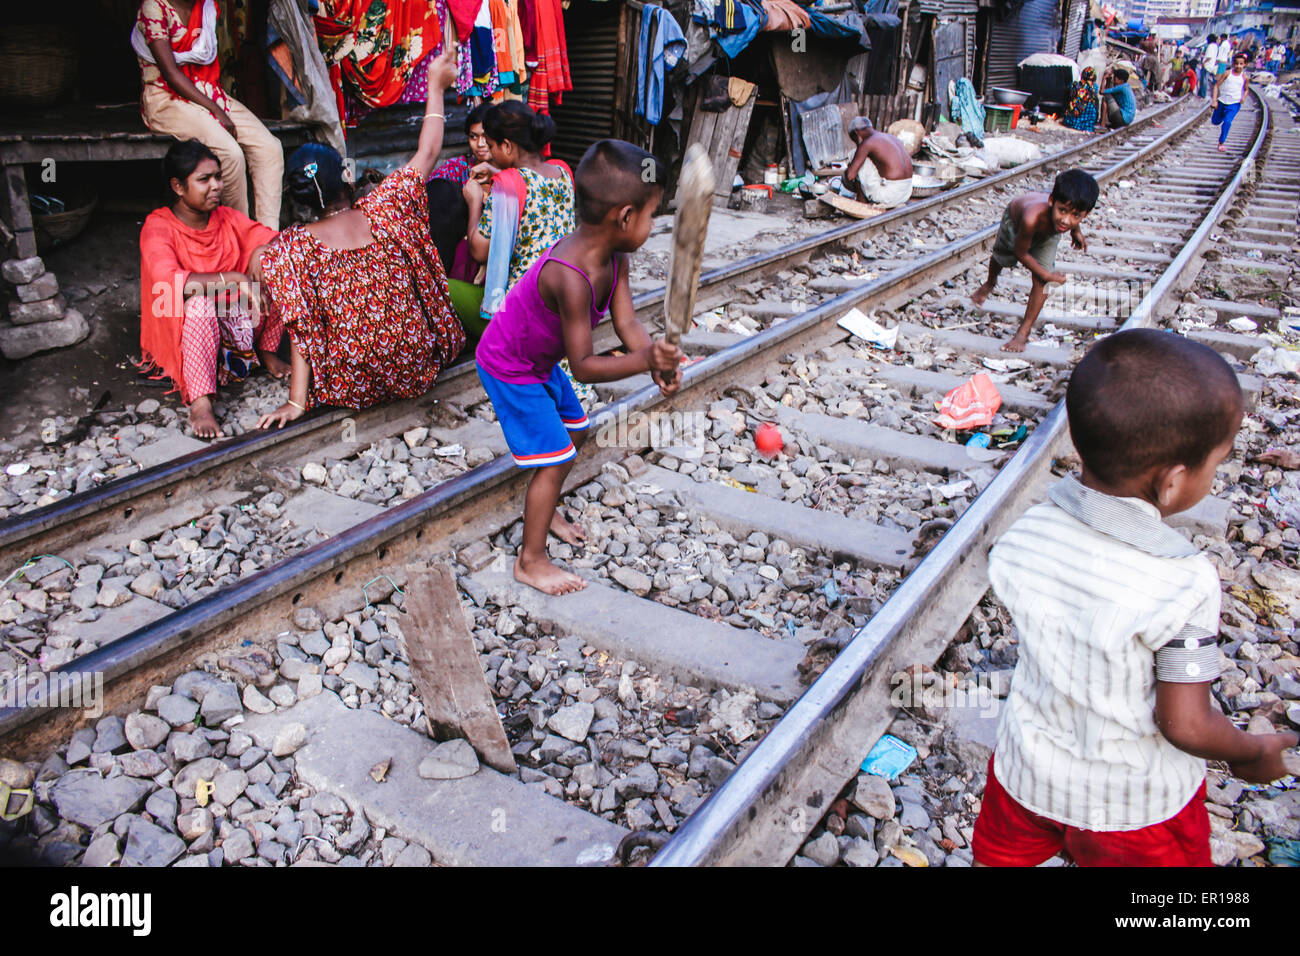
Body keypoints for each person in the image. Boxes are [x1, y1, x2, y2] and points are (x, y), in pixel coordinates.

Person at [971, 330, 1298, 867]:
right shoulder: (1182, 580)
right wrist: (1252, 750)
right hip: (1136, 809)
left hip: (1026, 777)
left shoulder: (1025, 535)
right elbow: (1185, 724)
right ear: (1171, 482)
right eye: (1215, 464)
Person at [475, 140, 683, 596]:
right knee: (558, 457)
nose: (652, 224)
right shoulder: (570, 275)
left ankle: (544, 511)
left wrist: (656, 367)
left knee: (577, 431)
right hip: (510, 365)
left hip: (538, 358)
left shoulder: (616, 256)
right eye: (652, 214)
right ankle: (530, 561)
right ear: (625, 218)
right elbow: (585, 367)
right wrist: (647, 358)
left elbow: (626, 322)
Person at [254, 49, 466, 428]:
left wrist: (296, 402)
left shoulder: (289, 249)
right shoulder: (386, 206)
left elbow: (301, 325)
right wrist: (434, 85)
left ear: (300, 200)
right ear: (348, 179)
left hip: (353, 386)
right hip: (416, 367)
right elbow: (429, 150)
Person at [138, 140, 286, 439]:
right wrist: (233, 278)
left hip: (234, 334)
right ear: (178, 187)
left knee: (280, 265)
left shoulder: (227, 218)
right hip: (189, 336)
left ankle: (266, 352)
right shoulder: (158, 226)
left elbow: (277, 239)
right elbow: (168, 281)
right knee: (200, 304)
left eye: (218, 176)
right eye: (204, 180)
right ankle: (200, 401)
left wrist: (260, 251)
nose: (216, 185)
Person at [132, 0, 283, 228]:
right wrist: (216, 110)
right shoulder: (153, 7)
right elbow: (171, 74)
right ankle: (239, 233)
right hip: (165, 98)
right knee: (231, 154)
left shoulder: (205, 6)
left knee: (270, 149)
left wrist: (215, 106)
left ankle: (267, 237)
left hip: (206, 91)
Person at [463, 101, 575, 323]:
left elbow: (478, 250)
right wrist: (497, 172)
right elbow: (531, 182)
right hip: (562, 299)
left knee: (446, 291)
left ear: (506, 146)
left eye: (492, 146)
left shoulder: (506, 185)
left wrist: (474, 200)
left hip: (522, 310)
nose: (491, 153)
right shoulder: (563, 172)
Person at [970, 168, 1097, 353]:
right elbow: (1020, 253)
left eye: (1076, 216)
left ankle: (1023, 332)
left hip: (1049, 232)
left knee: (1042, 282)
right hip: (1016, 224)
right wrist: (1048, 274)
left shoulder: (1065, 218)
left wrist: (1076, 232)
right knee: (1002, 257)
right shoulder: (1031, 217)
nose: (1067, 220)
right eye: (1062, 211)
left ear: (1085, 214)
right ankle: (989, 283)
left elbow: (1069, 217)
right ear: (1052, 201)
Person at [843, 116, 914, 208]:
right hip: (905, 194)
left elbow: (850, 175)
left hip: (889, 197)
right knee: (862, 158)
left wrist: (844, 177)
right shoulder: (892, 138)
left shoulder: (867, 143)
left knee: (855, 156)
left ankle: (861, 203)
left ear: (857, 134)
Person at [428, 101, 495, 187]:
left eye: (486, 136)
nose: (480, 144)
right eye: (473, 137)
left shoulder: (512, 172)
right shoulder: (455, 168)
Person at [1211, 53, 1251, 153]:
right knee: (1215, 121)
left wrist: (1243, 97)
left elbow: (1246, 89)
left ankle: (1221, 143)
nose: (1238, 66)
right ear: (1233, 64)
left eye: (1241, 64)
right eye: (1236, 63)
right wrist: (1214, 100)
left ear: (1244, 65)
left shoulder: (1245, 78)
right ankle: (1218, 119)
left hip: (1235, 103)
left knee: (1228, 121)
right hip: (1222, 101)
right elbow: (1216, 86)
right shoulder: (1227, 73)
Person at [1060, 67, 1101, 132]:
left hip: (1074, 117)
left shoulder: (1075, 85)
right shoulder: (1095, 87)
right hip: (1088, 119)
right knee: (1092, 106)